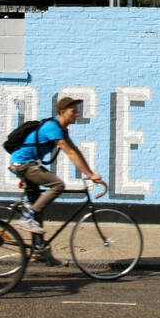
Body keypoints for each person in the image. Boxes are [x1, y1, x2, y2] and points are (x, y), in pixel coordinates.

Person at [9, 96, 103, 241]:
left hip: (28, 163)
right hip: (23, 164)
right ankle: (26, 218)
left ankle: (38, 251)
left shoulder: (62, 129)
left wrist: (90, 172)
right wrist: (90, 175)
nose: (77, 114)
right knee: (58, 185)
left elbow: (75, 150)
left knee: (38, 208)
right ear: (62, 111)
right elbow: (70, 153)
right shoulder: (53, 127)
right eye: (73, 111)